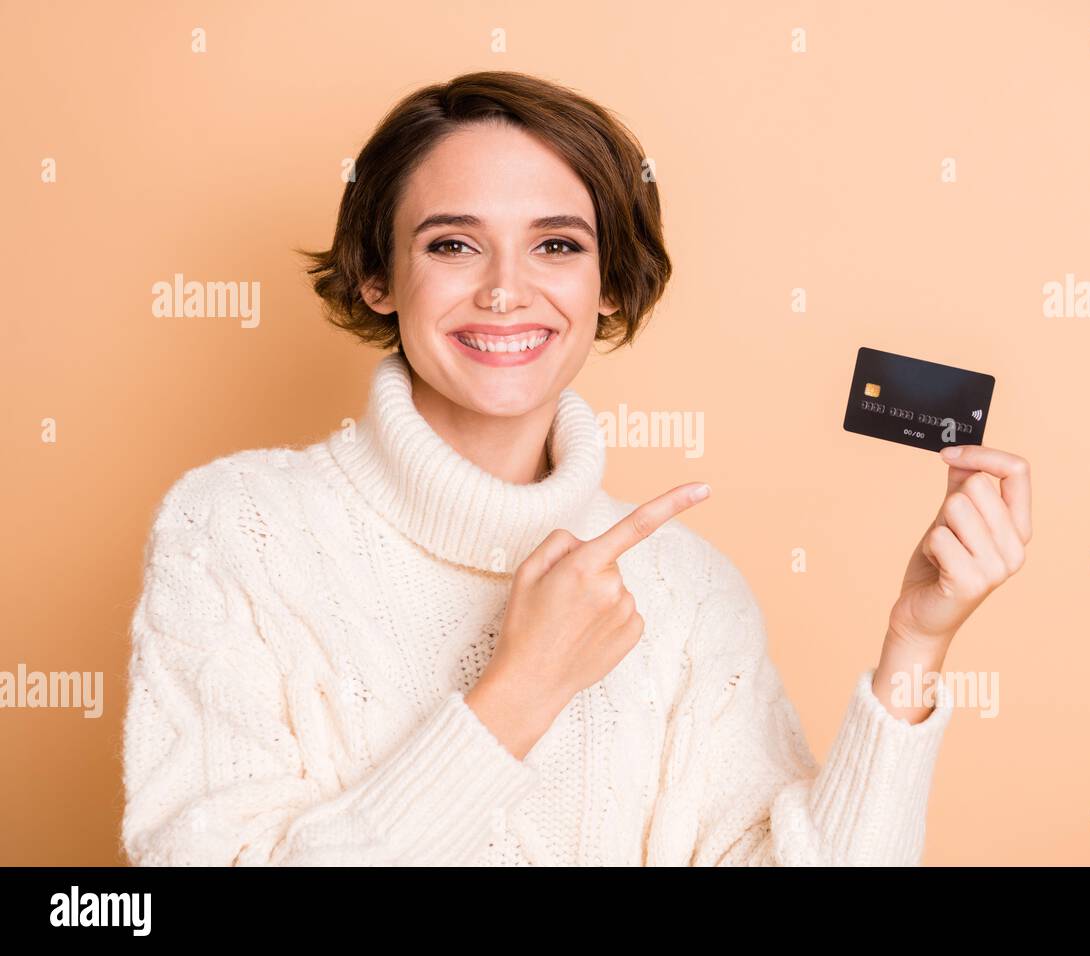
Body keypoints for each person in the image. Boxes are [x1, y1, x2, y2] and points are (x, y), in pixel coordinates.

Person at [119, 70, 1032, 866]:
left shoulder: (687, 591)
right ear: (377, 277)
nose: (506, 289)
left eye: (557, 244)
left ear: (608, 289)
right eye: (452, 244)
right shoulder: (233, 527)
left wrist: (915, 645)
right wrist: (525, 685)